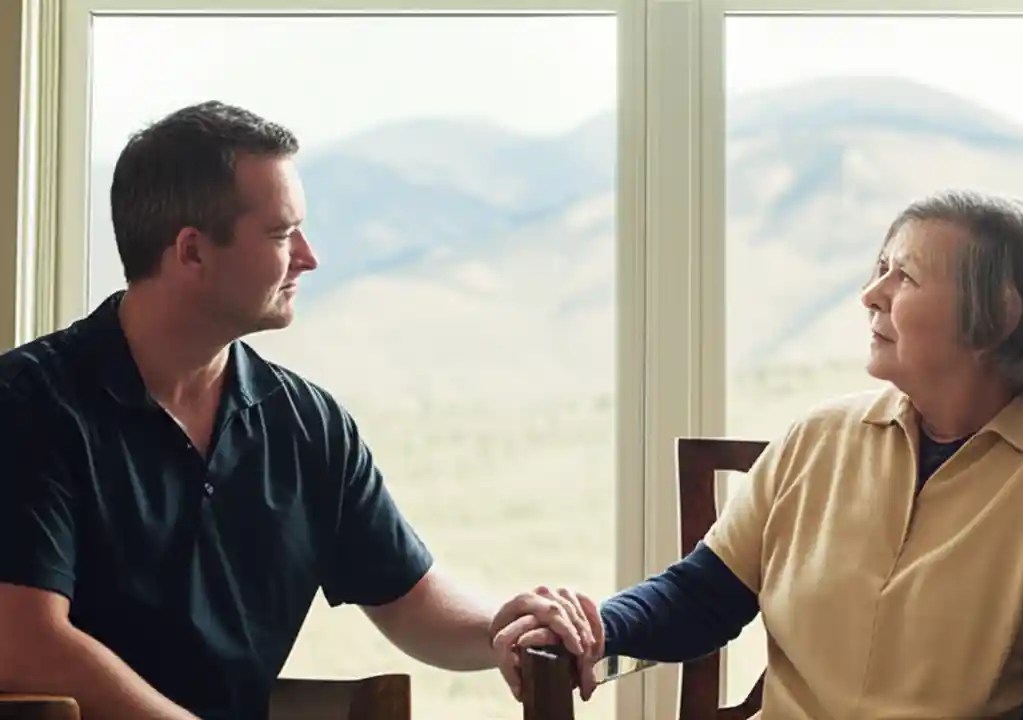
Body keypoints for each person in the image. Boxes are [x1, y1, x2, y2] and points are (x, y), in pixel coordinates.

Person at [0, 101, 601, 720]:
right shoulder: (28, 405)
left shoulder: (308, 423)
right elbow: (23, 645)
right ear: (192, 252)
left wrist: (501, 626)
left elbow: (410, 601)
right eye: (282, 234)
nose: (308, 257)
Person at [495, 190, 1023, 719]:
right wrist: (596, 628)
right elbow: (701, 598)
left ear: (998, 314)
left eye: (903, 275)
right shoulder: (818, 438)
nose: (871, 294)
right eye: (879, 268)